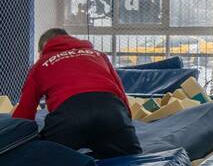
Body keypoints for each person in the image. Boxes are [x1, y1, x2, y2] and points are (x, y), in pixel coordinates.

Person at [13, 28, 143, 158]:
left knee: (44, 159)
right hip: (111, 110)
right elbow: (120, 91)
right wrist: (125, 124)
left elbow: (26, 108)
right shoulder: (98, 55)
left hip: (69, 116)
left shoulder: (41, 64)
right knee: (130, 158)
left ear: (43, 48)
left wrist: (15, 139)